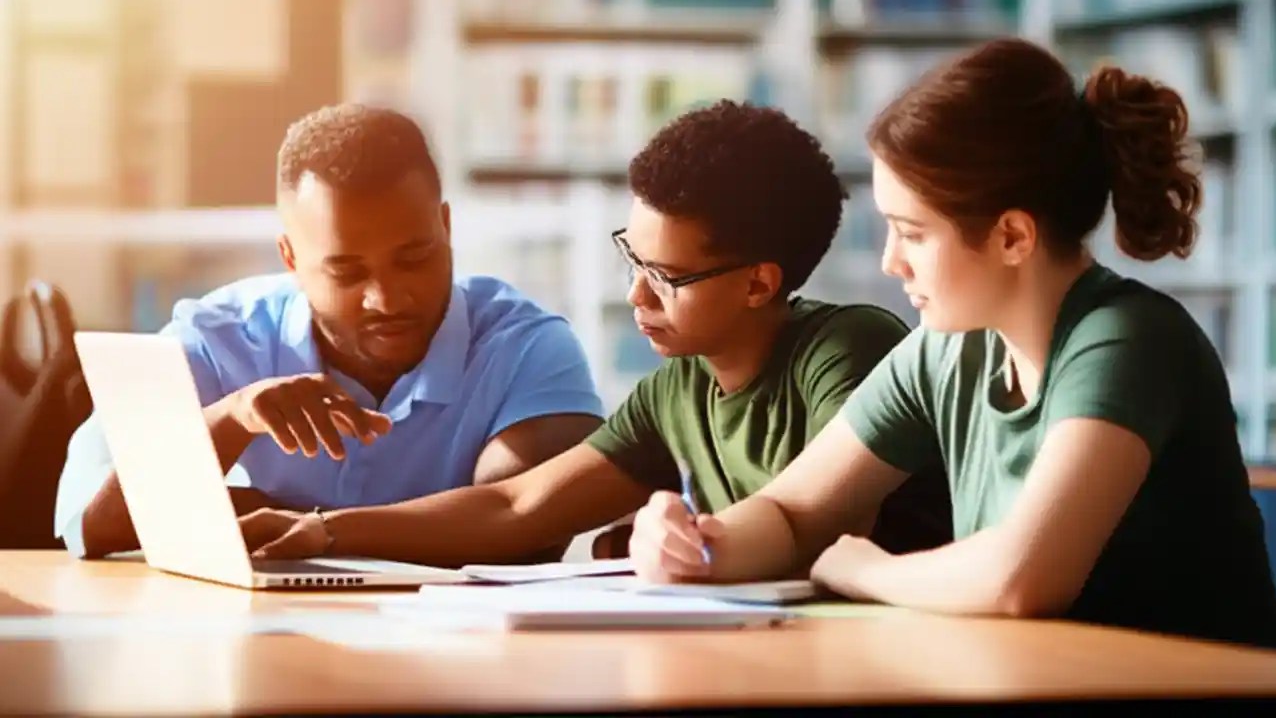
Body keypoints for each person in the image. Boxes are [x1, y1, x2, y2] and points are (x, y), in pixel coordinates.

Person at [627, 38, 1276, 649]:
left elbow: (1019, 579)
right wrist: (694, 543)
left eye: (911, 233)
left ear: (1012, 238)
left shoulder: (1127, 341)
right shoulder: (949, 350)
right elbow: (794, 513)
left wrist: (864, 569)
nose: (890, 261)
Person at [236, 99, 952, 565]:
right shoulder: (676, 392)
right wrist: (328, 531)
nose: (636, 293)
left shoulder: (849, 347)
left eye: (667, 276)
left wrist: (680, 543)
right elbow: (517, 508)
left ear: (760, 284)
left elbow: (829, 529)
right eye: (631, 258)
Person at [54, 104, 605, 559]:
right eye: (347, 271)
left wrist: (296, 520)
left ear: (446, 226)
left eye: (413, 258)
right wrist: (233, 417)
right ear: (290, 257)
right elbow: (95, 527)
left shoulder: (529, 347)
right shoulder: (212, 338)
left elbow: (520, 529)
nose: (386, 299)